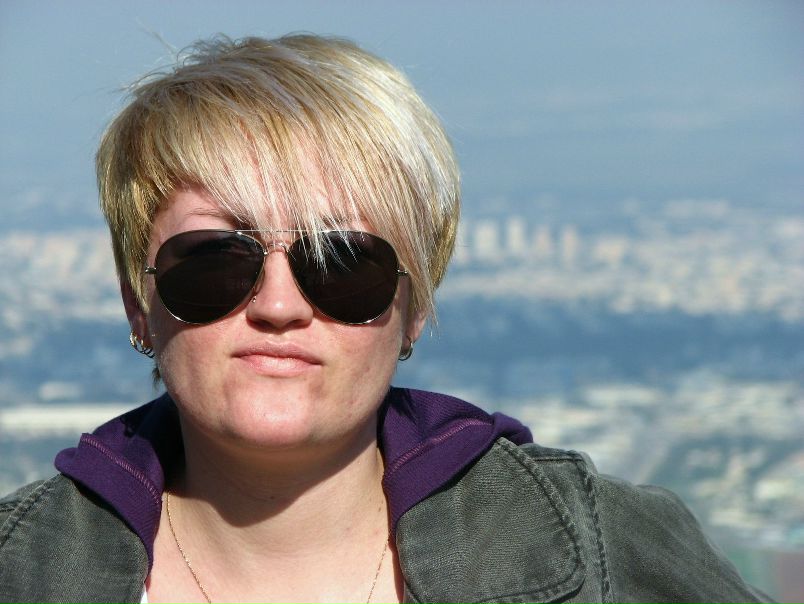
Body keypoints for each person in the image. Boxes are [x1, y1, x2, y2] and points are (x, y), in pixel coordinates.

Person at [0, 34, 774, 604]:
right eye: (214, 262)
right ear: (137, 303)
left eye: (344, 265)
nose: (278, 306)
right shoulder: (20, 569)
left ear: (414, 307)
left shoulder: (604, 550)